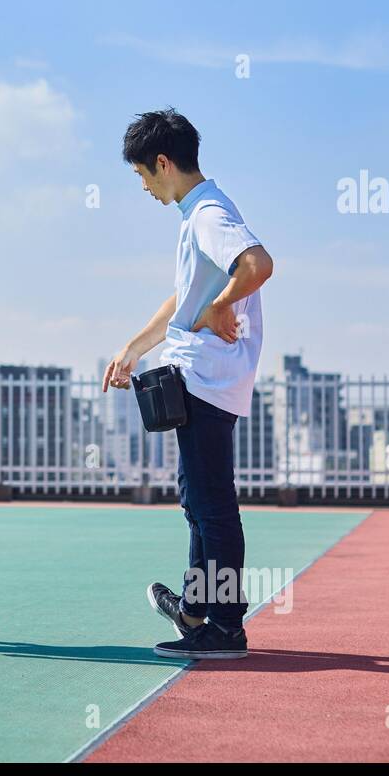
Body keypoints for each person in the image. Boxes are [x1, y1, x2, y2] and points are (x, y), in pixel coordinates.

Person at [102, 109, 274, 660]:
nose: (145, 189)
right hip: (201, 378)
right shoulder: (199, 214)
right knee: (198, 502)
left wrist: (221, 307)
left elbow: (258, 262)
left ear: (162, 163)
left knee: (212, 506)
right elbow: (183, 296)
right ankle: (198, 610)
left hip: (206, 379)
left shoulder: (206, 213)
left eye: (142, 177)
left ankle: (224, 627)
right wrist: (134, 347)